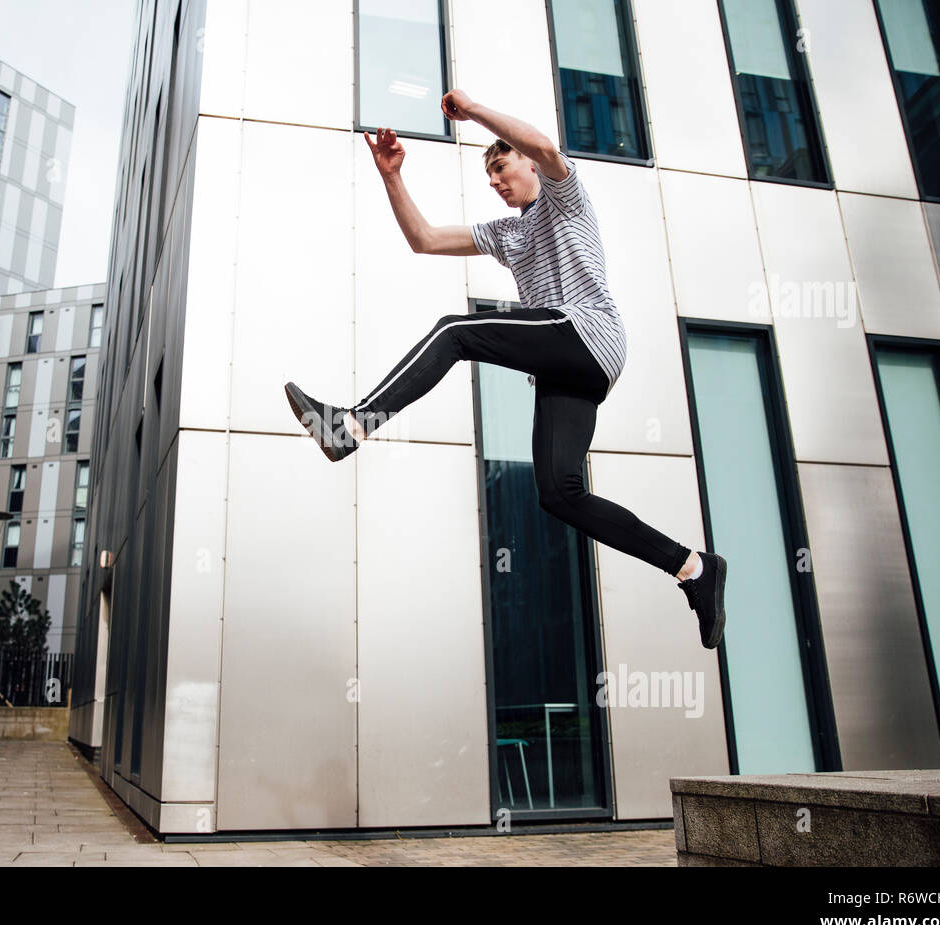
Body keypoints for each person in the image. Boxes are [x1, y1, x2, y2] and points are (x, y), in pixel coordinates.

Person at [283, 89, 727, 649]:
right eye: (489, 173)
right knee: (559, 493)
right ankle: (693, 569)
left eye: (502, 166)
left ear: (526, 163)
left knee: (454, 331)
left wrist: (470, 111)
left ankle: (350, 426)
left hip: (586, 332)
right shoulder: (504, 233)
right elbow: (423, 240)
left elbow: (542, 144)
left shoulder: (565, 199)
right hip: (573, 371)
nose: (495, 180)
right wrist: (391, 175)